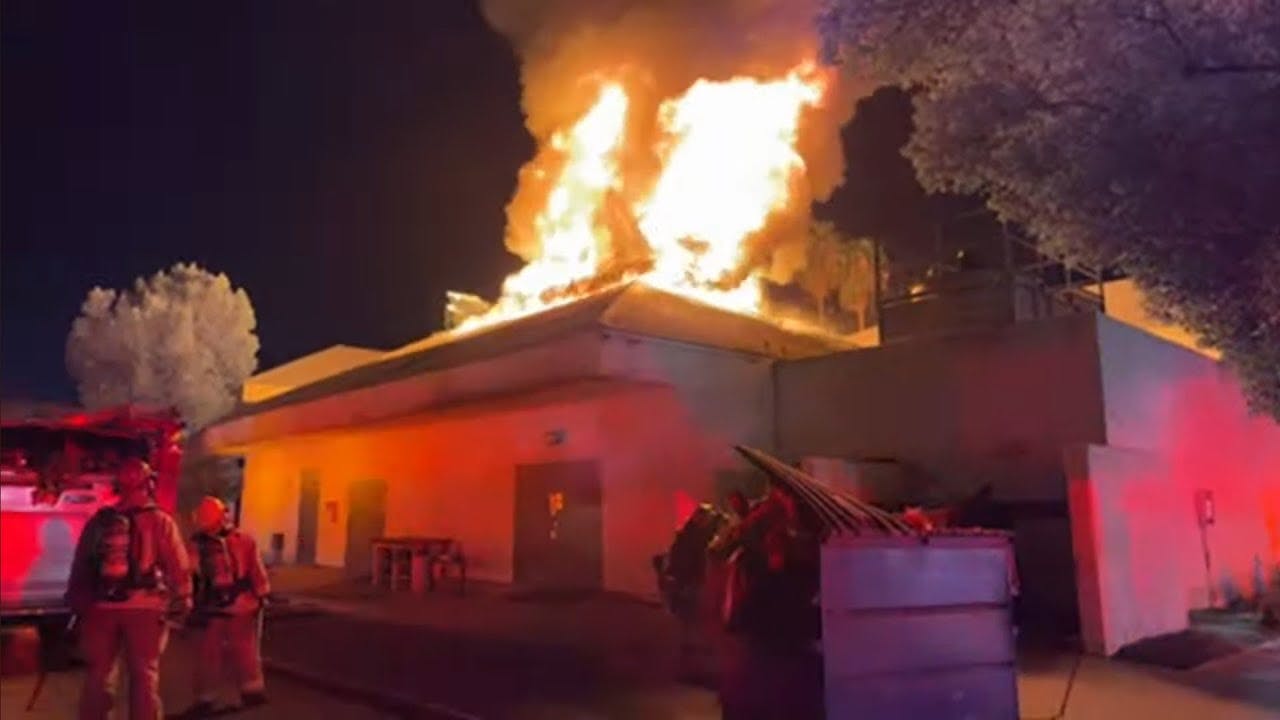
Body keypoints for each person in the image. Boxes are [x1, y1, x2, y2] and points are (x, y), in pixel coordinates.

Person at [65, 457, 192, 720]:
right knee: (144, 675)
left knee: (98, 675)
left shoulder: (100, 522)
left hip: (101, 609)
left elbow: (81, 564)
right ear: (149, 483)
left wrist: (78, 601)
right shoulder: (160, 521)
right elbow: (178, 567)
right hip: (145, 610)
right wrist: (183, 599)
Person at [183, 496, 270, 716]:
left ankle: (206, 698)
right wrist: (262, 594)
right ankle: (252, 691)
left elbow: (189, 573)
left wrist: (187, 600)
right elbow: (257, 571)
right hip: (242, 605)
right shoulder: (244, 540)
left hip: (213, 608)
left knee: (209, 653)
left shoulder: (196, 543)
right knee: (246, 650)